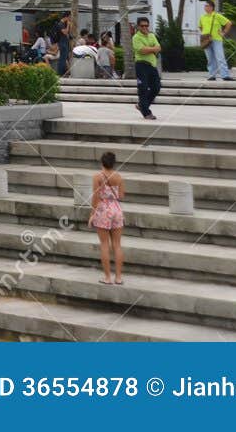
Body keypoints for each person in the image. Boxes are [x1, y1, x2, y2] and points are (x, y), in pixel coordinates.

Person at [88, 151, 126, 285]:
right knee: (117, 245)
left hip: (103, 209)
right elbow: (121, 196)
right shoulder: (119, 177)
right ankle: (119, 277)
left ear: (102, 162)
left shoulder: (97, 176)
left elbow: (95, 197)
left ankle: (108, 278)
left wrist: (92, 214)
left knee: (104, 245)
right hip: (117, 209)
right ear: (113, 163)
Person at [131, 16, 162, 120]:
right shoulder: (136, 37)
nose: (145, 27)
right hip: (141, 65)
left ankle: (141, 105)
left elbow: (159, 48)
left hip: (152, 65)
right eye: (142, 26)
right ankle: (146, 112)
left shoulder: (152, 36)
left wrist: (150, 49)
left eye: (146, 25)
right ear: (138, 26)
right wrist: (153, 49)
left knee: (156, 87)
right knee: (143, 88)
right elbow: (141, 50)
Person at [199, 0, 235, 81]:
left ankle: (225, 75)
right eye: (205, 6)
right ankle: (212, 75)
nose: (205, 7)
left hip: (217, 39)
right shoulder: (202, 17)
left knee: (220, 57)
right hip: (206, 40)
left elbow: (228, 23)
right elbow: (200, 27)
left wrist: (223, 32)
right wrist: (205, 34)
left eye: (207, 6)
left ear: (212, 7)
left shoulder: (217, 16)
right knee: (210, 58)